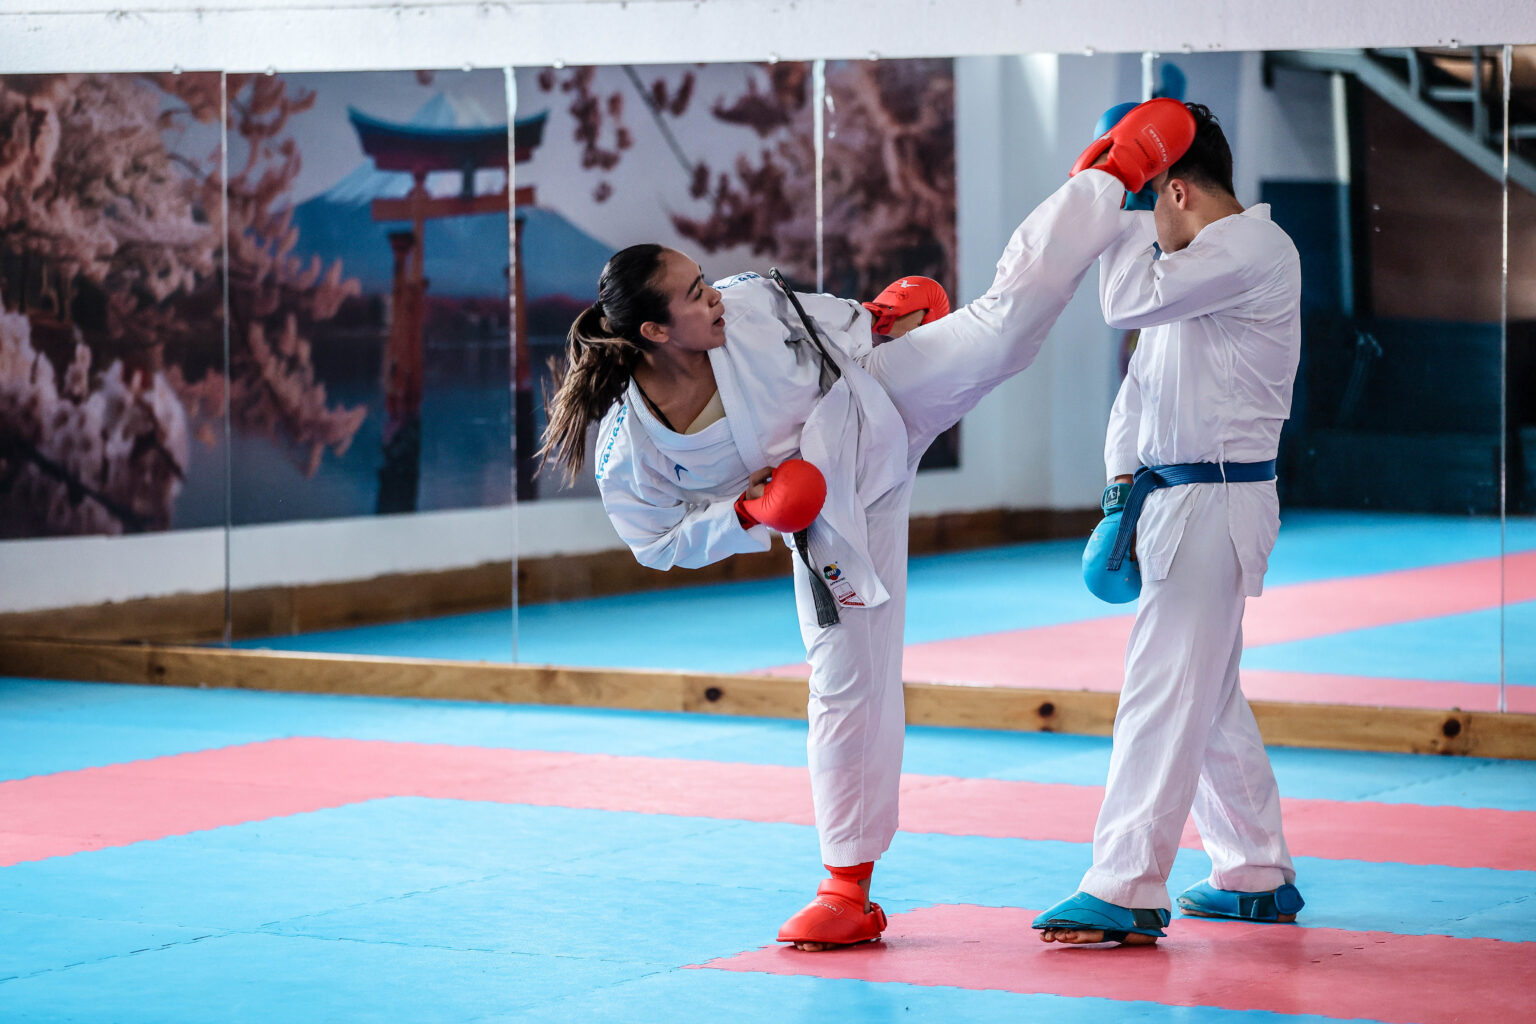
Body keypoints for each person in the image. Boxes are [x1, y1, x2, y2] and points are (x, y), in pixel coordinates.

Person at [538, 100, 1193, 952]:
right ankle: (846, 889)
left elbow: (823, 326)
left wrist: (880, 316)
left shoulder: (747, 305)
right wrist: (745, 513)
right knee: (847, 679)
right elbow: (655, 542)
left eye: (707, 279)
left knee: (1002, 332)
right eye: (695, 295)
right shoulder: (629, 445)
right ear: (654, 332)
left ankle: (1108, 176)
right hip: (829, 510)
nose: (717, 295)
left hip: (875, 394)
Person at [1034, 102, 1306, 946]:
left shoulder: (1251, 247)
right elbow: (1143, 391)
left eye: (1150, 203)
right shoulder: (1196, 267)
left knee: (1161, 689)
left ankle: (1125, 885)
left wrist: (1111, 203)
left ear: (1178, 190)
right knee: (1209, 694)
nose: (1146, 227)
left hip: (1214, 499)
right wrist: (1119, 499)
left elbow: (1123, 302)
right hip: (1177, 499)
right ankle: (1254, 871)